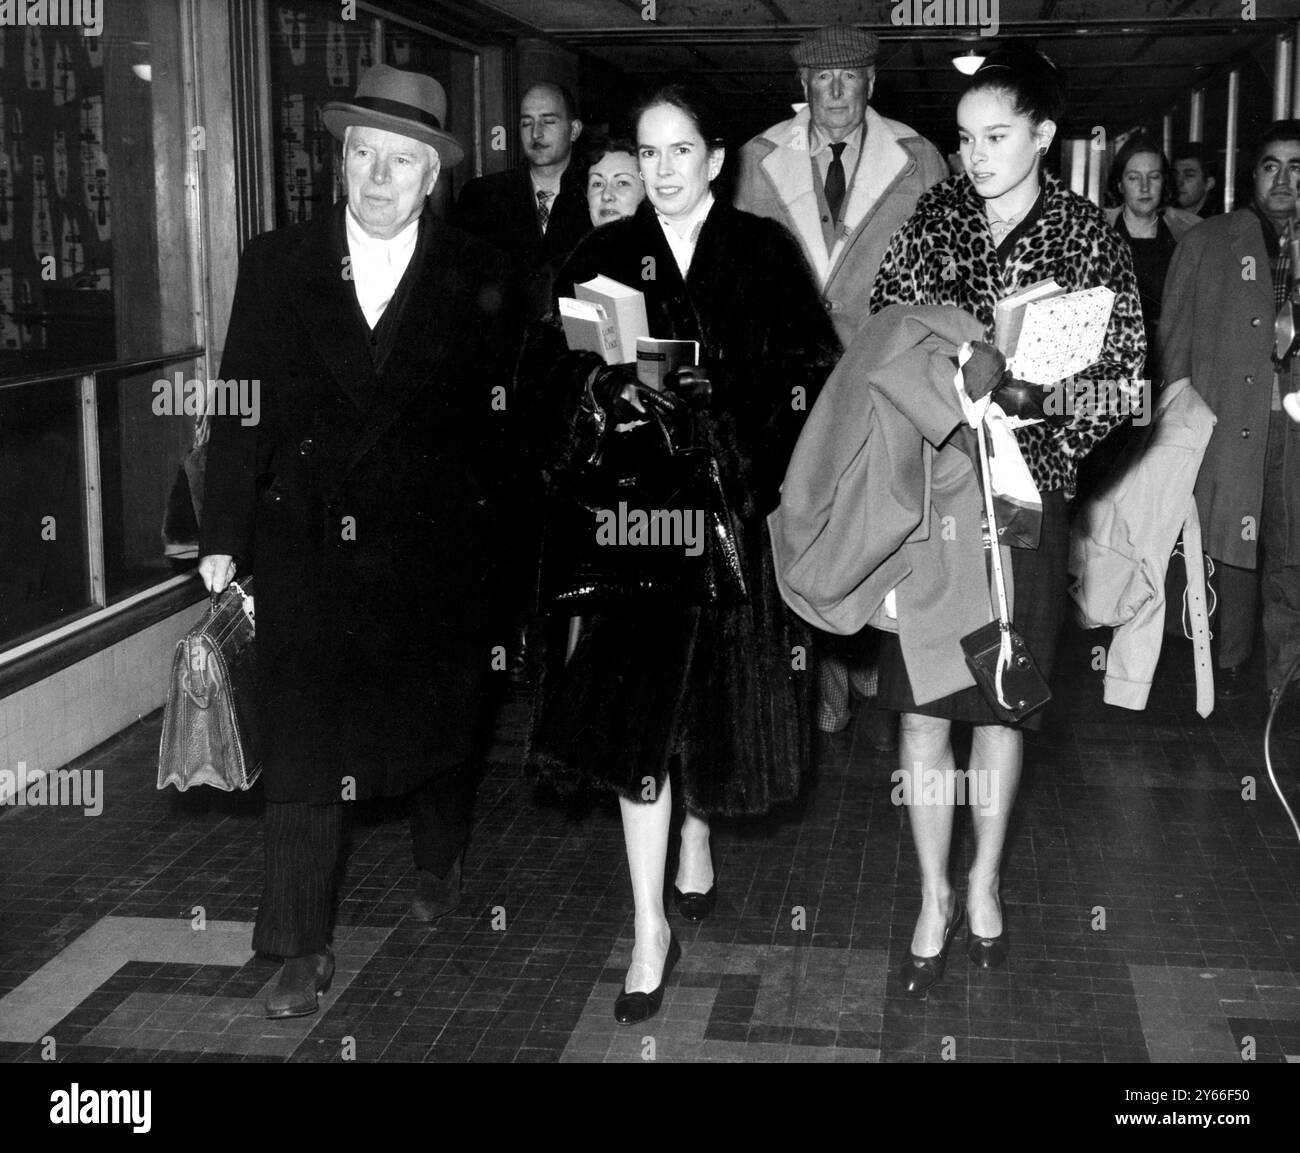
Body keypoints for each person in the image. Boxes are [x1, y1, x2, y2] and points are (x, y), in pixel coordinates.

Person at [199, 64, 519, 1018]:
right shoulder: (277, 262)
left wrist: (504, 561)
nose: (380, 177)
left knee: (438, 726)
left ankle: (439, 857)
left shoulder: (479, 274)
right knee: (302, 746)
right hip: (305, 541)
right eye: (363, 155)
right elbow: (238, 402)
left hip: (432, 549)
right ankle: (298, 944)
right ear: (341, 162)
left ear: (433, 177)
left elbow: (500, 435)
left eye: (402, 161)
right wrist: (223, 531)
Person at [522, 80, 841, 1024]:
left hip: (733, 516)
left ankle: (698, 829)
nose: (659, 173)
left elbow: (807, 373)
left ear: (716, 159)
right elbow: (556, 368)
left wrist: (732, 423)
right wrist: (605, 396)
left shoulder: (761, 252)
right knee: (640, 721)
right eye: (646, 155)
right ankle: (648, 926)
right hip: (638, 520)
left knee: (714, 703)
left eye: (678, 153)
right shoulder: (605, 251)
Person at [867, 45, 1144, 996]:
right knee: (917, 712)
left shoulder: (1085, 235)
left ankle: (983, 881)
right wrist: (954, 381)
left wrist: (1036, 404)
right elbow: (882, 335)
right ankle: (931, 894)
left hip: (1025, 499)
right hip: (934, 498)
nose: (976, 157)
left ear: (1043, 136)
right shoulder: (932, 219)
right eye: (965, 139)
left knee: (999, 700)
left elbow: (1125, 384)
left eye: (996, 137)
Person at [735, 24, 947, 749]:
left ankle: (869, 666)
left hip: (877, 380)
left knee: (873, 518)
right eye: (820, 79)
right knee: (799, 521)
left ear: (871, 83)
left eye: (848, 77)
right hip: (788, 378)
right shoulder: (756, 160)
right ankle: (818, 681)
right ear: (802, 87)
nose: (834, 92)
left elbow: (941, 273)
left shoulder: (919, 160)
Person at [1160, 120, 1300, 705]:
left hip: (1292, 432)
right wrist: (1172, 437)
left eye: (1298, 168)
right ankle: (1224, 664)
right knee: (1226, 551)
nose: (1284, 179)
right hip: (1225, 428)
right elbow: (1172, 346)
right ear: (1253, 174)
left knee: (1292, 556)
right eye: (1272, 165)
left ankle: (1284, 685)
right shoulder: (1209, 243)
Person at [454, 82, 590, 319]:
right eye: (526, 122)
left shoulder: (596, 195)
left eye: (548, 121)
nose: (536, 133)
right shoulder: (482, 196)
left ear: (574, 130)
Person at [1104, 135, 1200, 385]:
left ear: (1164, 182)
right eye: (1133, 178)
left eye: (1154, 177)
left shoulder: (1193, 232)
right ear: (1119, 184)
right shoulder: (1094, 231)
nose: (1144, 187)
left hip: (1173, 370)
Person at [1172, 141, 1223, 218]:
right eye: (1175, 175)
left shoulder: (1220, 224)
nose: (1178, 182)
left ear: (1209, 183)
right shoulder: (1162, 220)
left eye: (1189, 175)